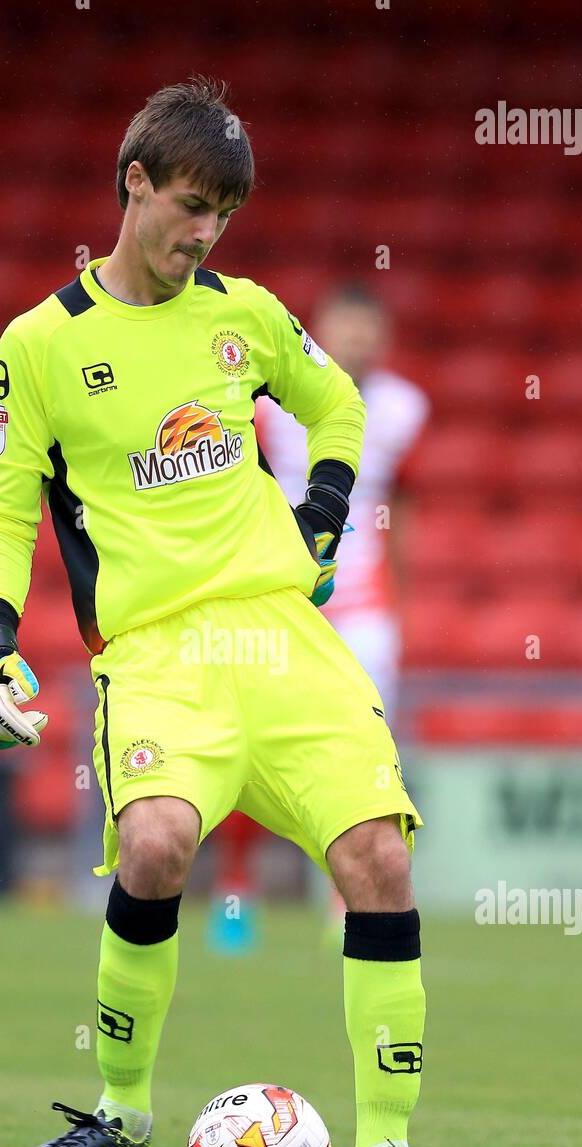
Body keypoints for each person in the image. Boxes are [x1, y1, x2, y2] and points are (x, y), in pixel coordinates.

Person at [0, 76, 484, 1147]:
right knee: (153, 844)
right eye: (191, 207)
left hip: (286, 639)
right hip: (156, 653)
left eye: (225, 219)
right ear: (133, 181)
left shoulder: (242, 312)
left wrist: (323, 515)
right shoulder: (39, 345)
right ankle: (119, 1118)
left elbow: (336, 399)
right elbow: (4, 508)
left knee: (379, 866)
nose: (204, 236)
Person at [208, 285, 429, 949]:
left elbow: (404, 506)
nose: (357, 339)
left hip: (362, 604)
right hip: (278, 594)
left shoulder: (402, 408)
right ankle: (236, 888)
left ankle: (347, 889)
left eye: (368, 328)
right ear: (317, 330)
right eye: (345, 326)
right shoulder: (268, 398)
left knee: (363, 750)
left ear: (383, 338)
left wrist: (403, 602)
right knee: (245, 745)